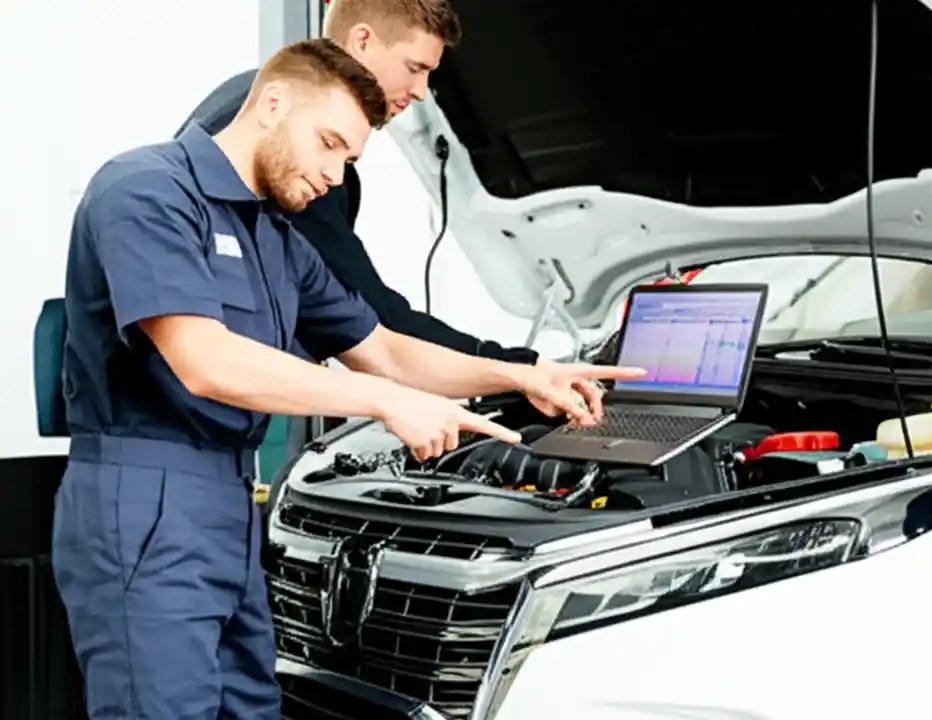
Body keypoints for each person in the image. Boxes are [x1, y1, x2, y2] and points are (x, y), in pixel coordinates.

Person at [53, 37, 641, 719]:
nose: (335, 175)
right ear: (272, 103)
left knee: (251, 708)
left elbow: (384, 350)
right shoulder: (147, 190)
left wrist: (524, 374)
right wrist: (385, 403)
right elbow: (205, 360)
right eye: (328, 143)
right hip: (144, 498)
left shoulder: (275, 236)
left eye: (350, 158)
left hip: (229, 503)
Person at [177, 0, 539, 365]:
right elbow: (372, 321)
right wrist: (510, 369)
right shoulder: (293, 152)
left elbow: (342, 314)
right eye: (414, 68)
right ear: (362, 41)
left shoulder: (250, 93)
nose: (421, 91)